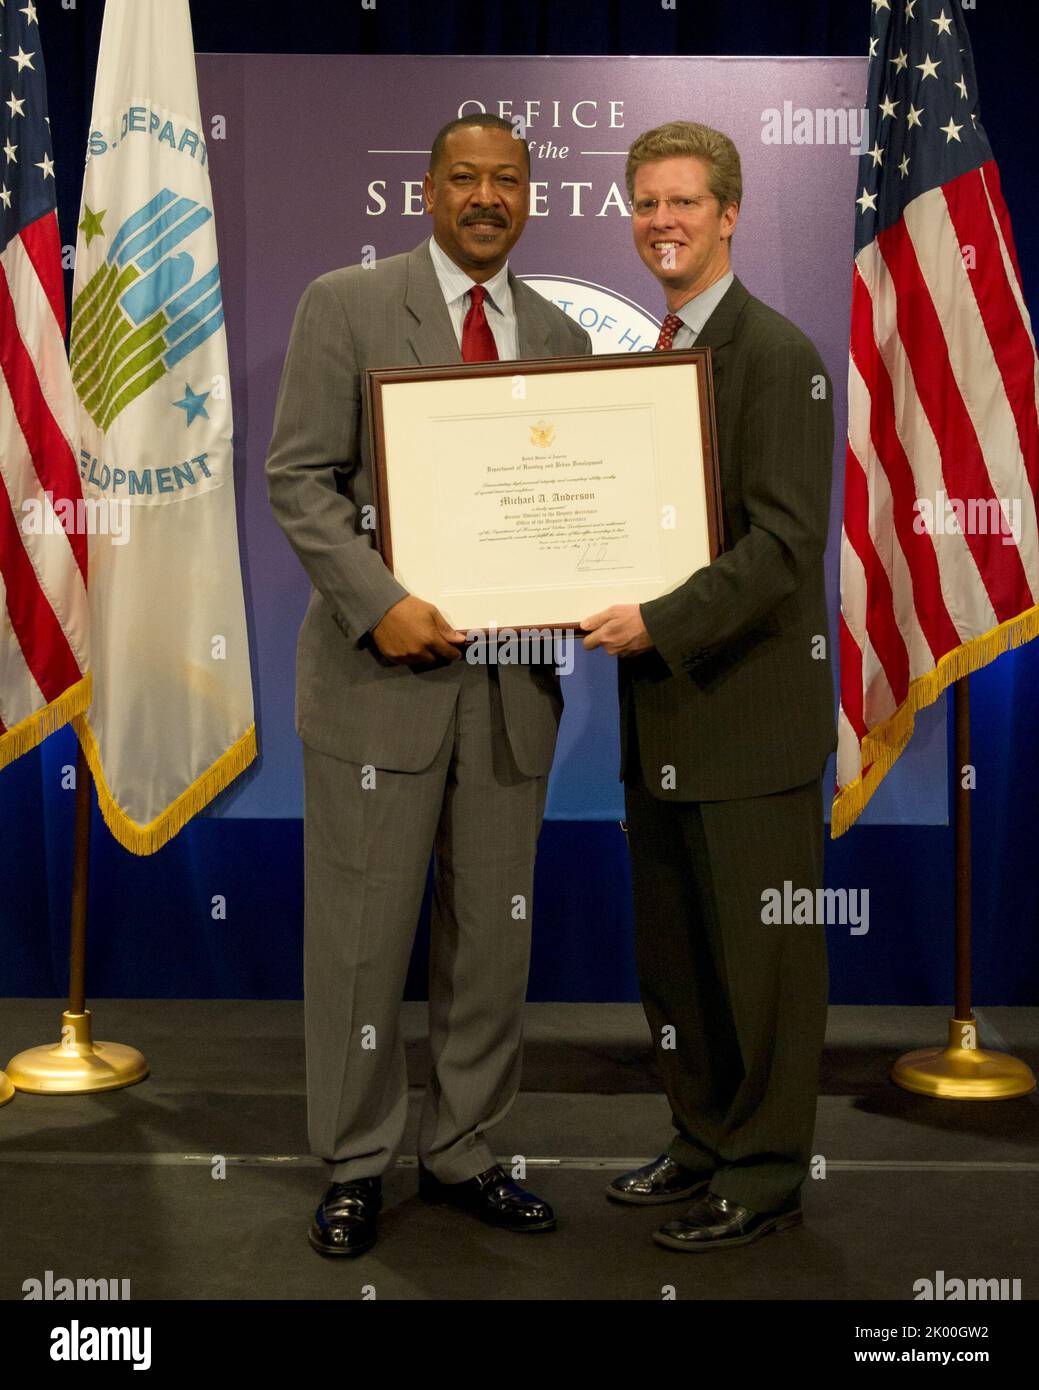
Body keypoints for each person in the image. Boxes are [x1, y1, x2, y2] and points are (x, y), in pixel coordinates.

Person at [266, 115, 591, 1257]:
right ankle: (356, 1161)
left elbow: (575, 504)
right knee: (361, 936)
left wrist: (597, 575)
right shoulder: (343, 305)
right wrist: (380, 600)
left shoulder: (556, 332)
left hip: (511, 689)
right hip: (376, 680)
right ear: (427, 192)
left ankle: (464, 1149)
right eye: (466, 179)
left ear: (528, 198)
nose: (486, 198)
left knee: (491, 940)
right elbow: (297, 477)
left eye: (507, 181)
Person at [581, 121, 836, 1251]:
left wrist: (660, 620)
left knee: (760, 963)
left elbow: (783, 547)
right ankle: (698, 1137)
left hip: (747, 714)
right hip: (664, 712)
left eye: (683, 202)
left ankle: (767, 1165)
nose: (662, 222)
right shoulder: (651, 357)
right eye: (644, 203)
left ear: (729, 214)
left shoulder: (779, 356)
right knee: (678, 959)